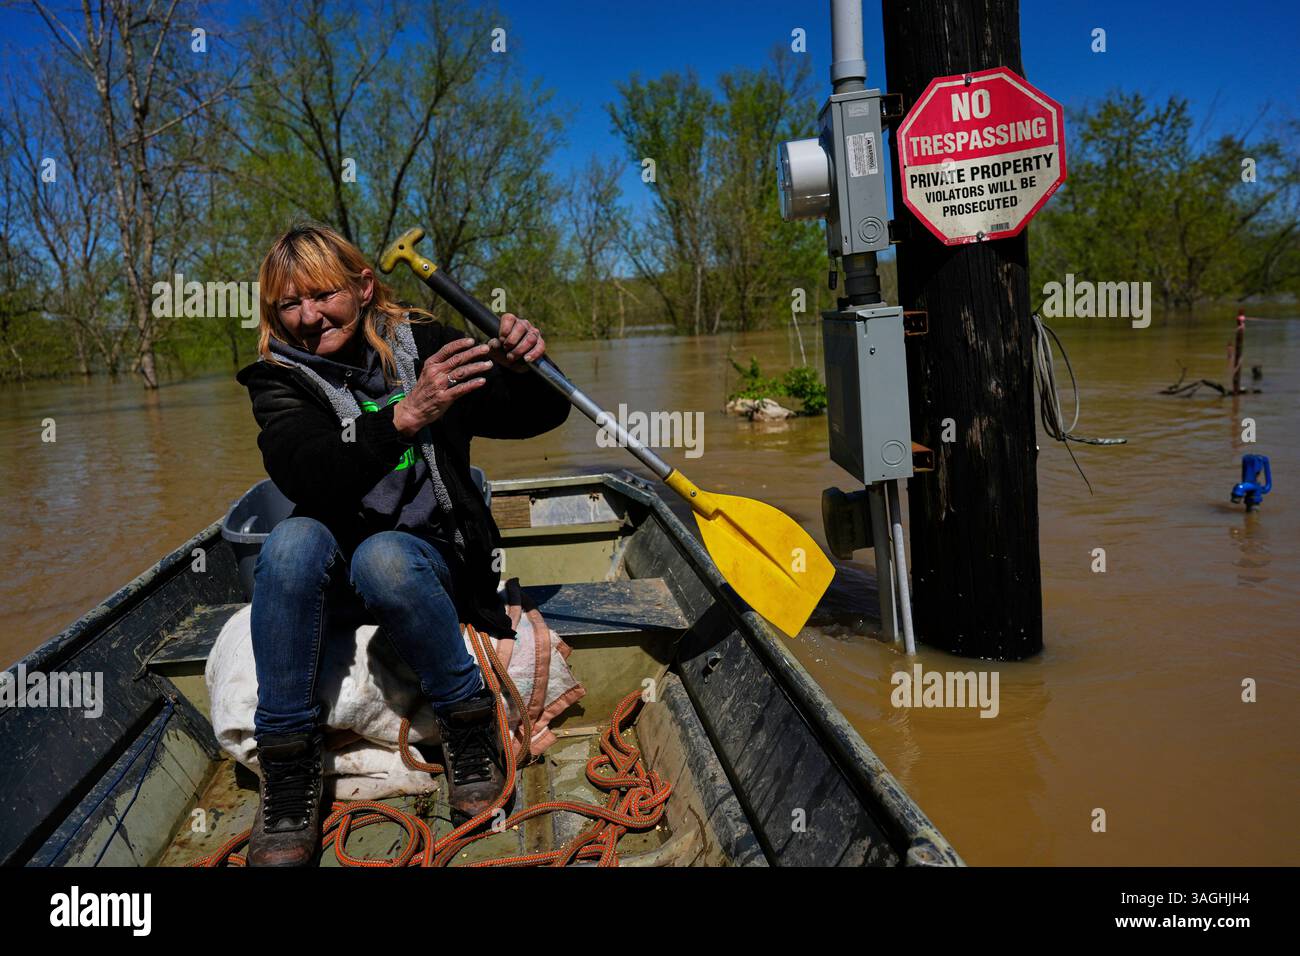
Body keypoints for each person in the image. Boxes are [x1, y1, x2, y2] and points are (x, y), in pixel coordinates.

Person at [234, 223, 569, 866]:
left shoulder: (428, 345)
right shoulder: (276, 381)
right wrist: (402, 417)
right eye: (288, 305)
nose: (308, 318)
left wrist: (525, 369)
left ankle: (468, 728)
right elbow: (305, 471)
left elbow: (537, 415)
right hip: (338, 572)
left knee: (383, 555)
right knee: (289, 545)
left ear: (363, 288)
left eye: (324, 295)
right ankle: (288, 768)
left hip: (428, 558)